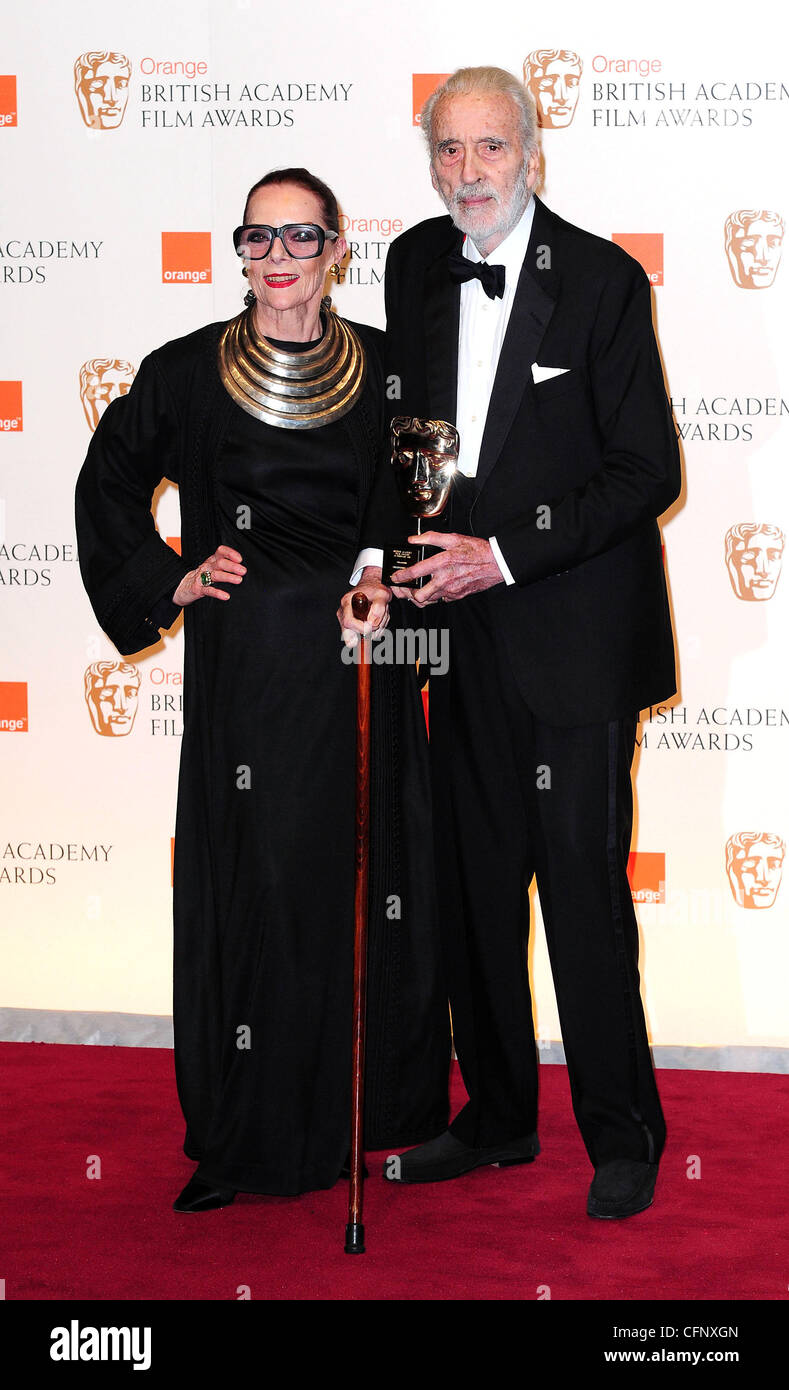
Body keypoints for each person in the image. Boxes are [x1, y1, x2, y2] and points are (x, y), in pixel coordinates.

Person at [339, 68, 681, 1219]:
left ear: (531, 154)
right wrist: (381, 567)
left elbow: (649, 472)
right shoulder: (413, 265)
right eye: (449, 151)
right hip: (456, 634)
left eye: (490, 149)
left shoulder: (600, 279)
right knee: (471, 890)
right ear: (429, 160)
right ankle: (493, 1117)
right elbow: (408, 446)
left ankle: (623, 1133)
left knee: (581, 889)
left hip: (574, 634)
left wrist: (506, 551)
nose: (468, 173)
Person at [76, 167, 450, 1212]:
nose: (279, 258)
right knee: (268, 885)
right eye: (259, 238)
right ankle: (258, 1123)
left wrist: (379, 574)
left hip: (354, 661)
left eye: (301, 237)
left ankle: (358, 1114)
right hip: (249, 675)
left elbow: (405, 492)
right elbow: (108, 478)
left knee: (353, 880)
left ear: (336, 248)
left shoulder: (383, 366)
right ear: (238, 251)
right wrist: (170, 575)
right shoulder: (190, 371)